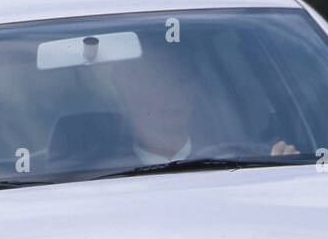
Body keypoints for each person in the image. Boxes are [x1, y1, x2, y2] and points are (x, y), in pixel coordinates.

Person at [109, 48, 299, 163]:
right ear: (127, 93)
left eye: (182, 81)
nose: (174, 93)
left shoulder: (248, 160)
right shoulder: (98, 174)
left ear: (194, 90)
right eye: (159, 83)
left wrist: (283, 169)